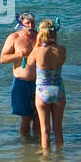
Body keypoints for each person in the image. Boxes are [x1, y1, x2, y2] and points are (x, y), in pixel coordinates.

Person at [0, 11, 39, 137]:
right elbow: (2, 59)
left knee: (39, 115)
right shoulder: (14, 38)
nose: (31, 26)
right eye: (28, 23)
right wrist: (19, 54)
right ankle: (25, 147)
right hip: (21, 82)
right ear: (21, 23)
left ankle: (38, 144)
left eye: (33, 23)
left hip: (39, 82)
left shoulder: (39, 37)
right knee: (26, 117)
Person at [29, 19, 66, 151]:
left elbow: (28, 63)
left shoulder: (38, 51)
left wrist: (37, 44)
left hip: (42, 91)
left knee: (45, 131)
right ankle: (60, 158)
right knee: (58, 130)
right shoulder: (62, 49)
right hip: (58, 90)